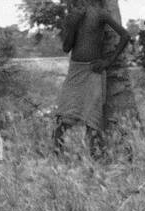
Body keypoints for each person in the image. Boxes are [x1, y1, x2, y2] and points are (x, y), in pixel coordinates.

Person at [54, 0, 129, 158]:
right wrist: (72, 24)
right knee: (64, 113)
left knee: (92, 118)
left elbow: (125, 35)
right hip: (75, 71)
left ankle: (94, 157)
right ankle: (56, 156)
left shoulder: (100, 14)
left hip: (93, 71)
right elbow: (66, 48)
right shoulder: (72, 16)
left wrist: (108, 62)